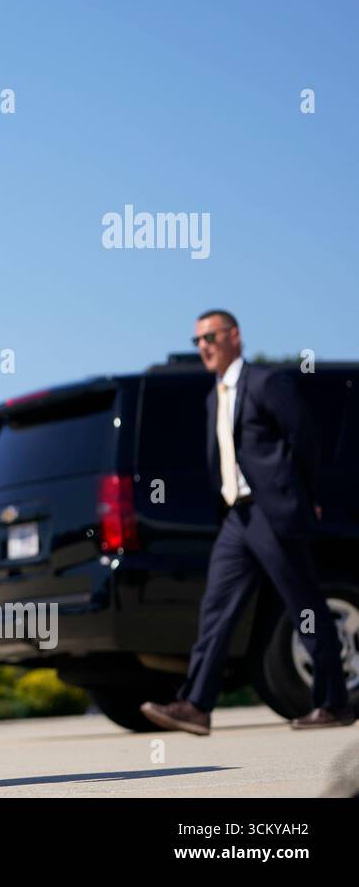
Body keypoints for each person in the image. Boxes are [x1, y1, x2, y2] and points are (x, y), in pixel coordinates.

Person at [141, 309, 354, 734]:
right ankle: (196, 705)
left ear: (234, 336)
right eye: (197, 340)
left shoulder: (265, 383)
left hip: (273, 512)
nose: (203, 346)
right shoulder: (212, 397)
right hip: (236, 518)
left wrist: (303, 498)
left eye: (210, 337)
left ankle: (334, 703)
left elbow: (304, 439)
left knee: (304, 605)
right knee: (216, 610)